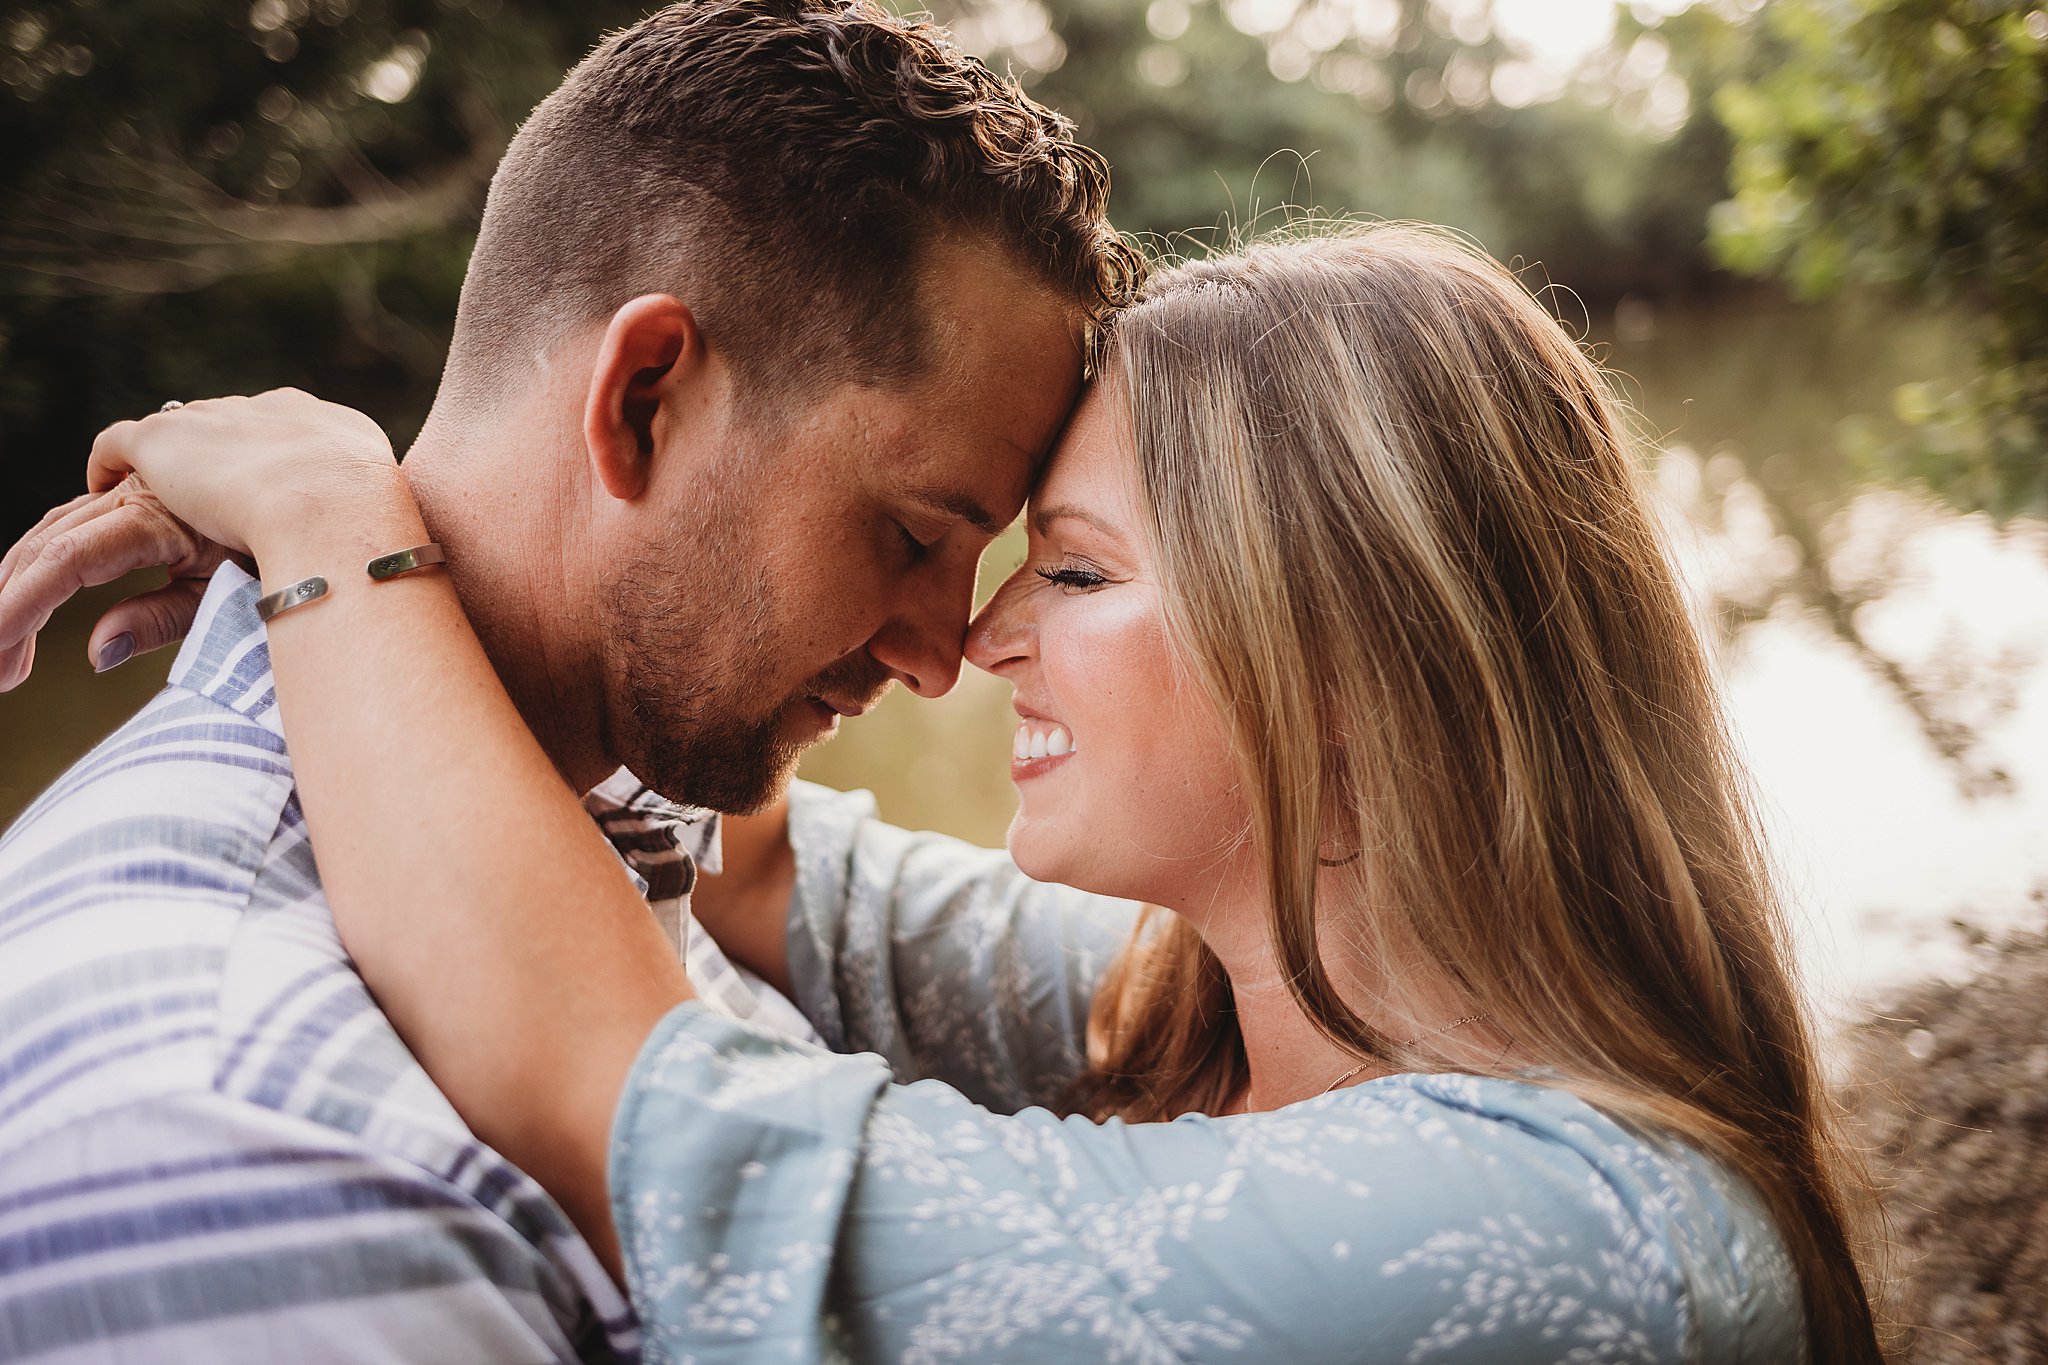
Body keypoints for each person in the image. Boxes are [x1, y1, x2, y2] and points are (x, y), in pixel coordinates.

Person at [4, 225, 1887, 1362]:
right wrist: (553, 539)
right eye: (958, 554)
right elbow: (754, 858)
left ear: (1346, 656)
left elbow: (632, 1101)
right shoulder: (1244, 998)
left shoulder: (1580, 1241)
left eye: (1062, 570)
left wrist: (329, 513)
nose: (969, 648)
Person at [0, 1, 1138, 1358]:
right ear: (642, 396)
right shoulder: (237, 1128)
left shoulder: (631, 805)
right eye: (907, 535)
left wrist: (333, 529)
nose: (943, 657)